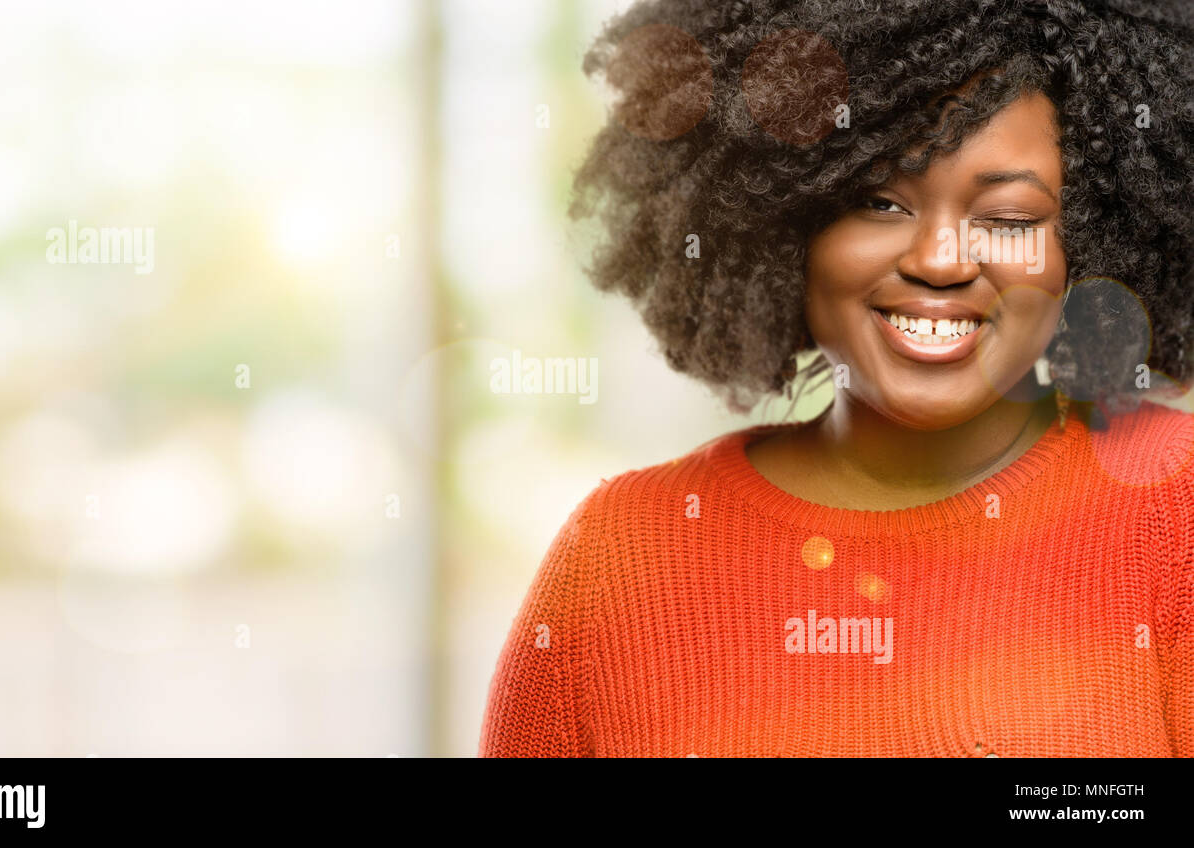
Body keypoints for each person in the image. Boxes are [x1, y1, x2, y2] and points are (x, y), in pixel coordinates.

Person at [479, 0, 1194, 756]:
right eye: (879, 202)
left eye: (1009, 217)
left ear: (1092, 241)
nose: (941, 260)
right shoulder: (620, 556)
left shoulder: (1174, 512)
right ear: (786, 222)